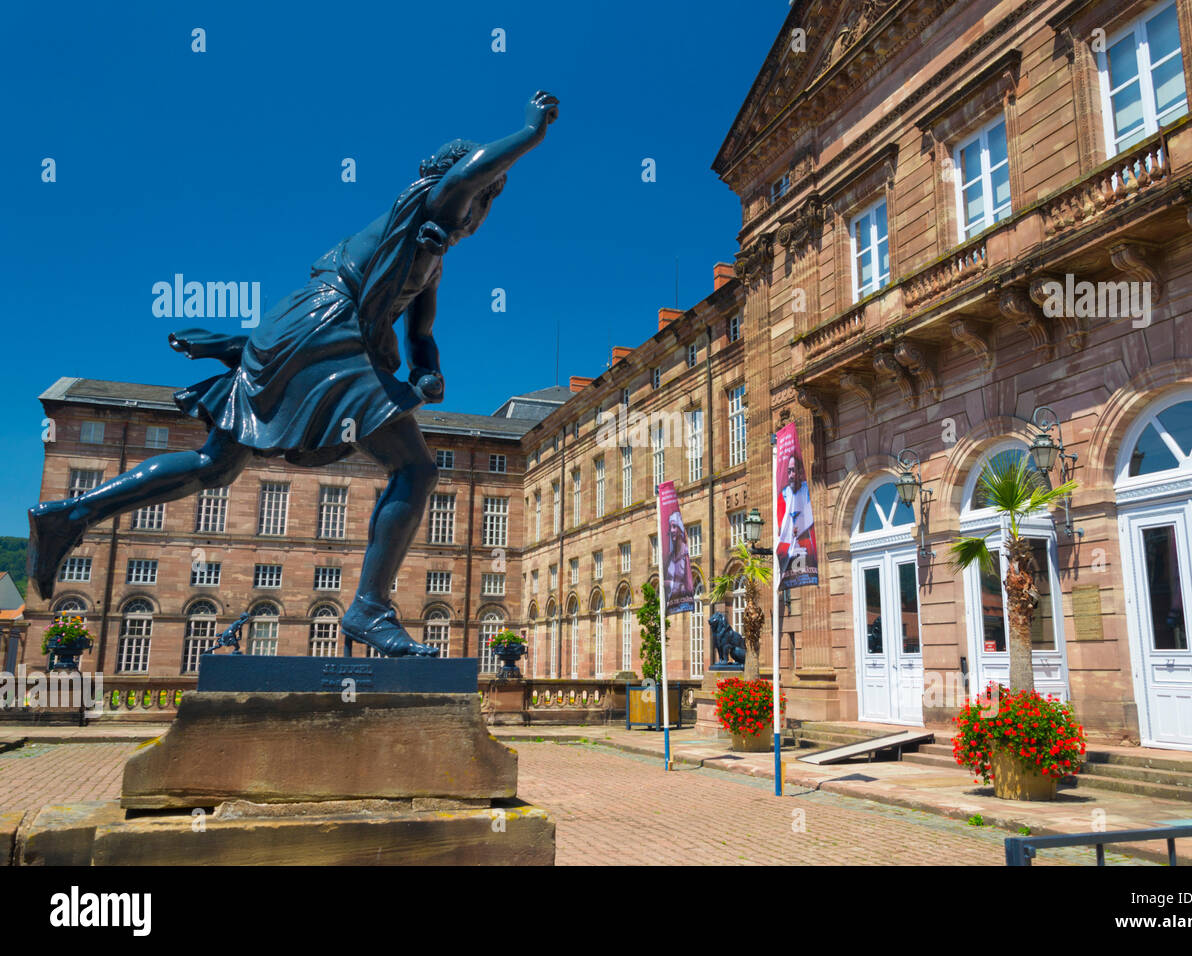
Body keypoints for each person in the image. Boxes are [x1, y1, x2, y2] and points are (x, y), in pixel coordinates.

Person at [28, 91, 560, 658]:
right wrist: (533, 131)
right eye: (482, 196)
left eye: (488, 205)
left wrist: (431, 373)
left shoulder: (429, 256)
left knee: (216, 465)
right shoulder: (428, 204)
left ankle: (69, 514)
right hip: (328, 329)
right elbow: (467, 174)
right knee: (417, 469)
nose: (477, 215)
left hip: (304, 328)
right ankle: (369, 608)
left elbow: (421, 336)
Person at [777, 453, 817, 578]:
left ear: (800, 472)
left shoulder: (808, 490)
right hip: (791, 549)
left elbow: (810, 514)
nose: (790, 476)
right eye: (788, 471)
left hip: (808, 549)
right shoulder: (784, 494)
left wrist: (798, 527)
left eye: (793, 471)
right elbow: (780, 527)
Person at [663, 511, 693, 606]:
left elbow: (689, 587)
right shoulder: (670, 556)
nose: (672, 530)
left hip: (682, 604)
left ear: (680, 529)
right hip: (671, 604)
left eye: (674, 526)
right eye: (670, 527)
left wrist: (670, 584)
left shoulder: (685, 553)